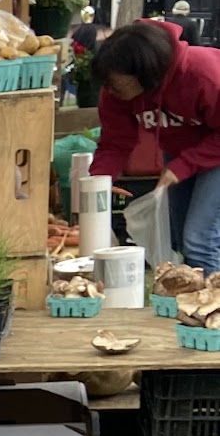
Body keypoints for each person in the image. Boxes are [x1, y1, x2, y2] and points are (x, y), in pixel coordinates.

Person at [92, 18, 220, 273]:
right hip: (181, 151)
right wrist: (98, 182)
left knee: (200, 240)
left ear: (144, 70)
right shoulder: (116, 93)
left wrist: (182, 166)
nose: (109, 89)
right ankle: (194, 300)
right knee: (182, 237)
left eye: (114, 82)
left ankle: (209, 308)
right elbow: (114, 142)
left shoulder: (203, 74)